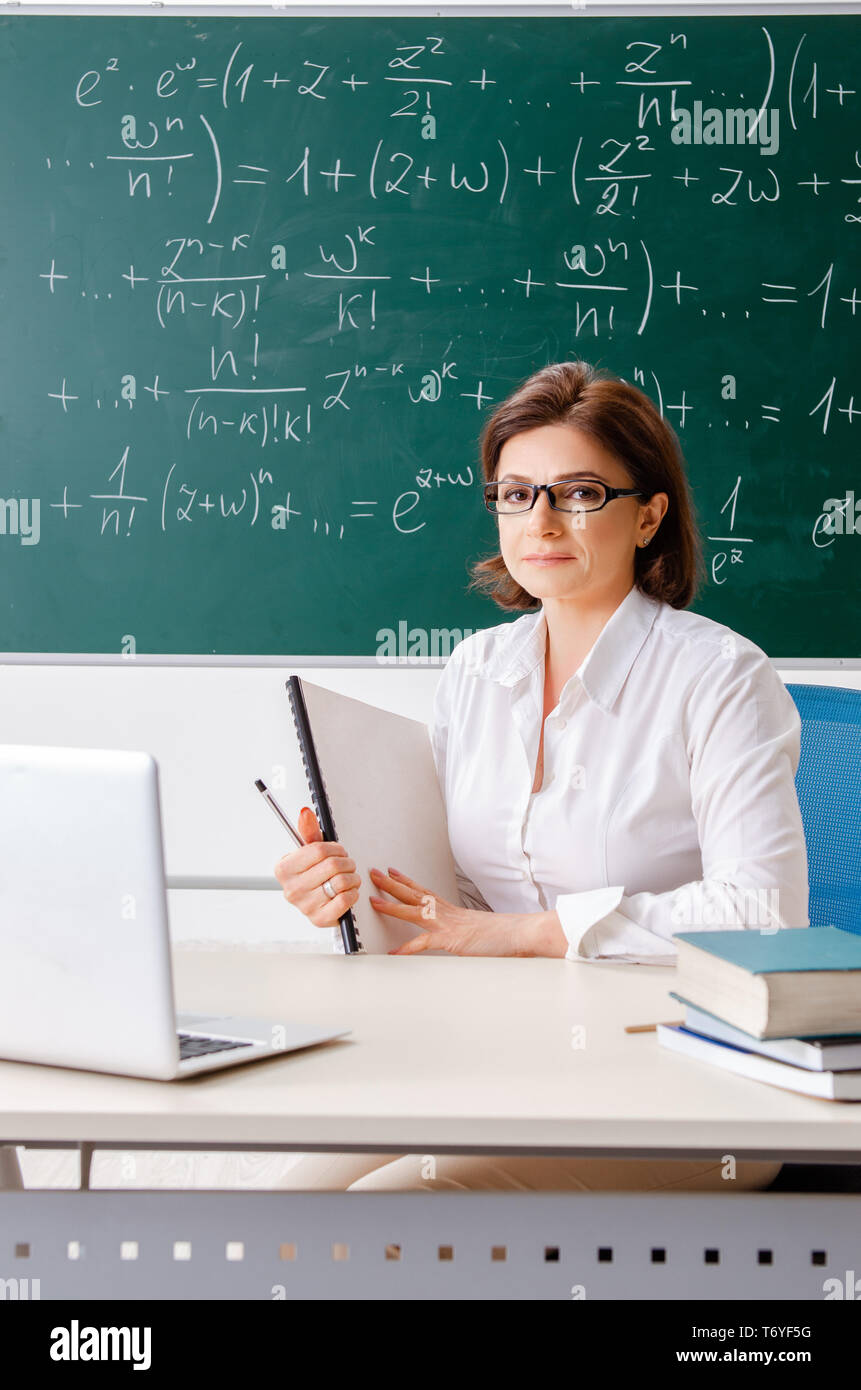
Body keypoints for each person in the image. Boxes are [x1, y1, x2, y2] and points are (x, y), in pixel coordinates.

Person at [272, 359, 808, 1193]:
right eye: (515, 494)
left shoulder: (721, 678)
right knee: (268, 1203)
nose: (542, 521)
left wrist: (538, 933)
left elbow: (763, 914)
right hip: (497, 1055)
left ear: (648, 517)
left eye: (580, 493)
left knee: (379, 1215)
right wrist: (345, 893)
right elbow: (462, 911)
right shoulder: (476, 670)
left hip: (690, 1080)